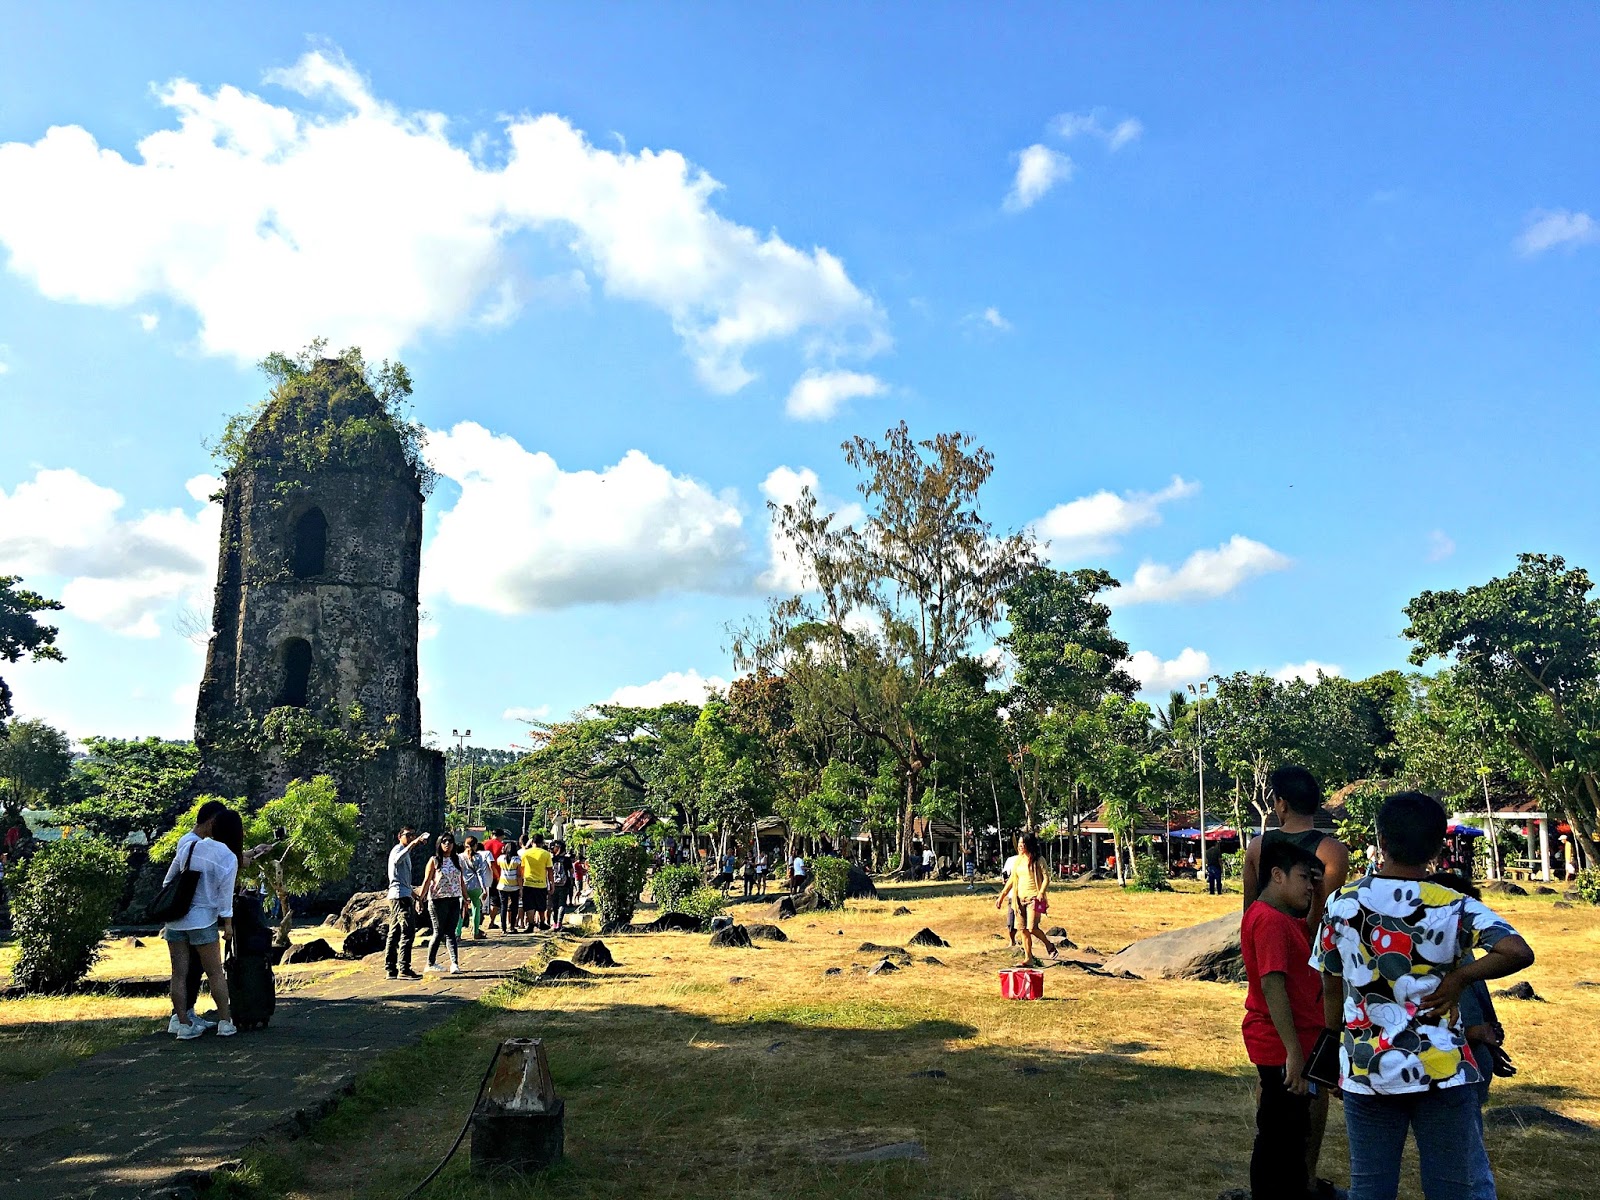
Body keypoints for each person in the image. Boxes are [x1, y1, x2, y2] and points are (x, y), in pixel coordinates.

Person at [1315, 792, 1535, 1200]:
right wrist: (1460, 979)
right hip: (1443, 1069)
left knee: (1370, 1189)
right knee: (1451, 1189)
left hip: (1367, 1067)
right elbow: (1517, 951)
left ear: (1380, 839)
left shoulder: (1341, 904)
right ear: (1438, 846)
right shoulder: (1455, 905)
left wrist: (1331, 1050)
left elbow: (1330, 984)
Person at [1243, 767, 1353, 1193]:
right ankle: (1302, 1175)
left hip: (1269, 967)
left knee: (1274, 1077)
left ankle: (1284, 1175)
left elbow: (1248, 910)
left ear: (1279, 804)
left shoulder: (1257, 846)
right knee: (1315, 1076)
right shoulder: (1333, 852)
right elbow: (1323, 920)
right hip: (1313, 973)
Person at [1241, 839, 1326, 1200]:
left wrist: (1318, 892)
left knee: (1289, 1132)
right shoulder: (1271, 921)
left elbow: (1310, 928)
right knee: (1281, 1136)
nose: (1310, 885)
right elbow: (1272, 983)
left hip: (1290, 1044)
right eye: (1305, 877)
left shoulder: (1280, 919)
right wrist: (1293, 1051)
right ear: (1277, 875)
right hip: (1281, 1047)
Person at [1428, 873, 1514, 1200]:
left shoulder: (1465, 956)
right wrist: (1477, 1033)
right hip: (1452, 1074)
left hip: (1475, 1068)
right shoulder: (1433, 963)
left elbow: (1481, 1001)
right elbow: (1420, 1022)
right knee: (1467, 1167)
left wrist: (1491, 1043)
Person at [160, 798, 239, 1037]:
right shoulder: (228, 856)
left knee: (179, 974)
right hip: (203, 919)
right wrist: (228, 925)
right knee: (215, 972)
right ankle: (225, 1022)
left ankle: (183, 1024)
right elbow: (225, 898)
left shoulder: (189, 846)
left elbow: (168, 881)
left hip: (176, 920)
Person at [996, 834, 1057, 965]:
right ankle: (1028, 958)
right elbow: (1012, 879)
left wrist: (1041, 892)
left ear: (1029, 844)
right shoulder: (1018, 860)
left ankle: (1049, 945)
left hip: (1034, 898)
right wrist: (1002, 895)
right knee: (1022, 929)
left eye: (1023, 843)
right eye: (1019, 843)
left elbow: (1046, 878)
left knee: (1032, 928)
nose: (1020, 845)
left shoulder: (1038, 860)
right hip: (1019, 900)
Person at [385, 825, 429, 980]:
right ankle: (403, 968)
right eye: (408, 835)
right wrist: (414, 843)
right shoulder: (397, 850)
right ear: (399, 836)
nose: (410, 838)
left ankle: (391, 969)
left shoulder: (405, 853)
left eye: (412, 835)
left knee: (395, 931)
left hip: (402, 894)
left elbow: (404, 881)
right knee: (408, 931)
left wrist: (417, 897)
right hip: (399, 897)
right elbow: (398, 860)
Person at [419, 833, 466, 974]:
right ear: (439, 844)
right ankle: (430, 962)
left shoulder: (457, 860)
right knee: (438, 931)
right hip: (438, 899)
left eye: (450, 841)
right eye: (444, 841)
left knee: (451, 932)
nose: (447, 844)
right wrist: (420, 898)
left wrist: (466, 898)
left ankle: (455, 963)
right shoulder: (434, 860)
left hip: (454, 898)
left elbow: (461, 880)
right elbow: (427, 880)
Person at [459, 835, 492, 940]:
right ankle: (476, 931)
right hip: (475, 886)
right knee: (476, 909)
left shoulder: (459, 857)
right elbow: (480, 874)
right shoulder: (479, 857)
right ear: (476, 845)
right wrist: (484, 888)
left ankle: (457, 932)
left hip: (463, 885)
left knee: (461, 909)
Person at [520, 833, 554, 932]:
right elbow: (550, 871)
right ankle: (542, 922)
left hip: (528, 883)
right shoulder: (546, 854)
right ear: (542, 842)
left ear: (532, 842)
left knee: (529, 905)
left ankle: (531, 924)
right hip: (541, 883)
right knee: (541, 905)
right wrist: (551, 884)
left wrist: (521, 881)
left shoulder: (525, 853)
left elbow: (521, 869)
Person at [496, 838, 524, 933]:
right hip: (514, 886)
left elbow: (498, 866)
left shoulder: (500, 858)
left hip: (502, 885)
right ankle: (512, 926)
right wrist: (521, 888)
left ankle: (503, 928)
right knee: (514, 906)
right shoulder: (517, 860)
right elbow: (519, 875)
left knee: (503, 906)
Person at [548, 839, 575, 930]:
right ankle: (559, 923)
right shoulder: (567, 859)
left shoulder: (552, 859)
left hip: (554, 884)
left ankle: (554, 923)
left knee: (554, 905)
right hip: (564, 883)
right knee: (562, 904)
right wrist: (571, 882)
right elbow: (571, 872)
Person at [483, 829, 506, 930]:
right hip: (496, 875)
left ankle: (478, 919)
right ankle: (491, 922)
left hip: (481, 876)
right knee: (495, 900)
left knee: (479, 900)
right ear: (501, 836)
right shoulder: (501, 846)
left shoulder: (483, 844)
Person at [999, 845, 1020, 946]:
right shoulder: (1011, 860)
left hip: (1026, 896)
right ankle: (1012, 941)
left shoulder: (1031, 860)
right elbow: (1005, 877)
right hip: (1013, 895)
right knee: (1011, 922)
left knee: (1028, 926)